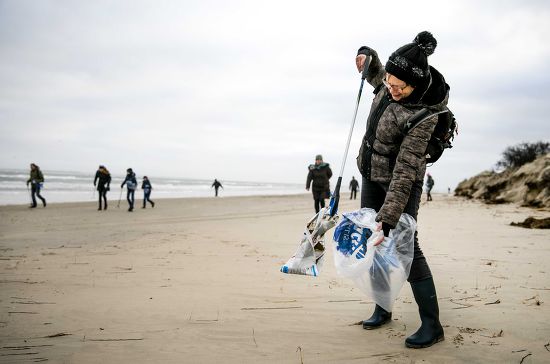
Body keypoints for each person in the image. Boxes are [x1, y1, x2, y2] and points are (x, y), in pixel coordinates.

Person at [355, 31, 448, 348]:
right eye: (389, 83)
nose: (391, 89)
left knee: (406, 247)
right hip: (371, 174)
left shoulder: (425, 113)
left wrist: (391, 215)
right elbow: (378, 73)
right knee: (376, 242)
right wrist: (367, 58)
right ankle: (382, 307)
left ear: (415, 85)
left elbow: (408, 166)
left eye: (399, 87)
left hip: (402, 180)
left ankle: (432, 325)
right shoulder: (390, 81)